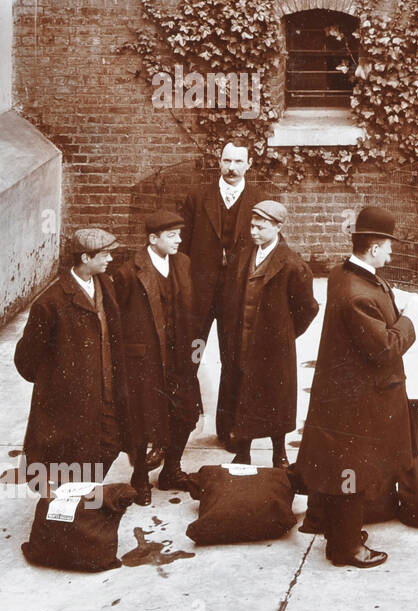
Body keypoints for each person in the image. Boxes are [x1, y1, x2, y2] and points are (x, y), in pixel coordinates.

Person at [297, 207, 416, 568]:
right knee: (352, 470)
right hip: (359, 399)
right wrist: (408, 318)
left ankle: (340, 534)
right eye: (388, 247)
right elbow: (385, 349)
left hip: (344, 394)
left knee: (342, 467)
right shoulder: (357, 293)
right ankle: (346, 548)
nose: (392, 253)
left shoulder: (343, 274)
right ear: (374, 248)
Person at [14, 228, 127, 495]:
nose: (110, 258)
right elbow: (26, 359)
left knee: (110, 445)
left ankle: (80, 498)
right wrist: (56, 381)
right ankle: (70, 511)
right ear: (86, 257)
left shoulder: (105, 284)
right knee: (70, 460)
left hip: (106, 391)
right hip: (70, 402)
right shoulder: (50, 303)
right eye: (105, 254)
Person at [109, 211, 202, 505]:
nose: (179, 240)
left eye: (179, 234)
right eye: (172, 235)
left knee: (186, 413)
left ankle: (171, 470)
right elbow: (117, 320)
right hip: (145, 361)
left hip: (179, 358)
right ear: (153, 239)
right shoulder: (128, 272)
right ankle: (139, 479)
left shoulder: (183, 263)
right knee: (144, 418)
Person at [220, 201, 318, 467]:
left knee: (276, 397)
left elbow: (307, 308)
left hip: (273, 346)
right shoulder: (244, 255)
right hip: (243, 341)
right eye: (252, 226)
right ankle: (244, 450)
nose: (254, 232)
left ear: (278, 227)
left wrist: (284, 334)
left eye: (261, 227)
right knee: (243, 393)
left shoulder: (292, 264)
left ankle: (279, 452)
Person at [180, 141, 262, 448]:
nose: (231, 167)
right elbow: (183, 247)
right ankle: (186, 421)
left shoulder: (257, 200)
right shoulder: (198, 197)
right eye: (227, 160)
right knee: (190, 354)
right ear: (219, 161)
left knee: (233, 358)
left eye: (238, 161)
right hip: (199, 294)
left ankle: (229, 429)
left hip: (236, 295)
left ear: (248, 164)